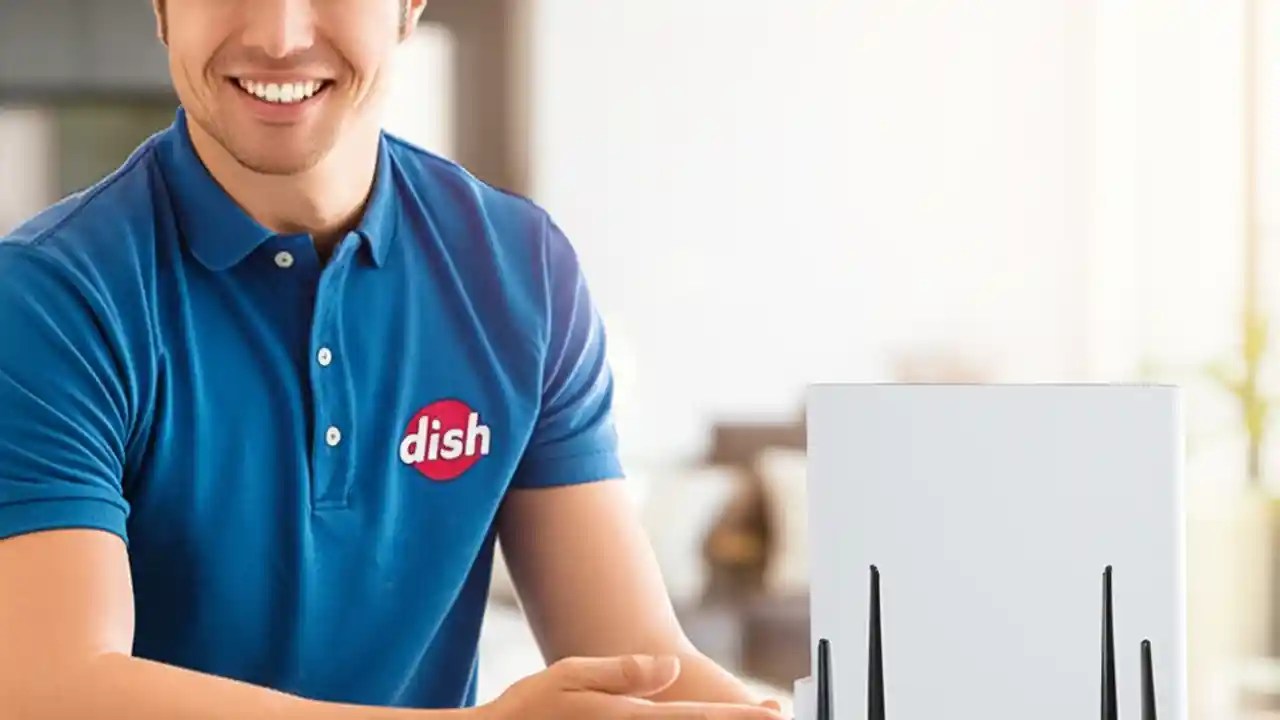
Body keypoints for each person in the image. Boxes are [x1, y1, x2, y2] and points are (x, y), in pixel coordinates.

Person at [0, 2, 788, 719]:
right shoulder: (49, 298)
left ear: (409, 5)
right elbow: (55, 689)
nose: (279, 36)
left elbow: (638, 664)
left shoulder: (521, 268)